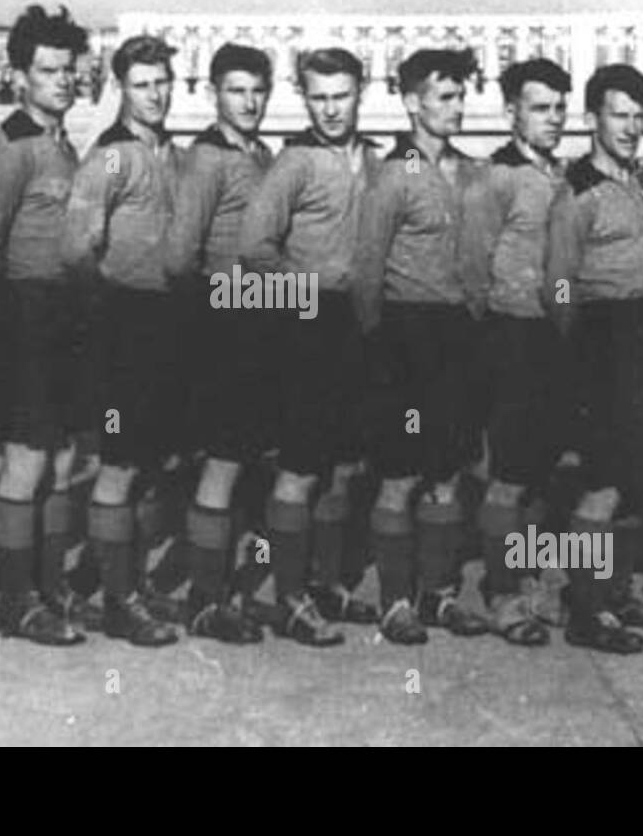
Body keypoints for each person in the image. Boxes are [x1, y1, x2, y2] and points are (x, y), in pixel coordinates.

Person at [239, 47, 381, 646]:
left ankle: (324, 582)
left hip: (361, 326)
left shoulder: (376, 159)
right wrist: (304, 300)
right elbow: (253, 248)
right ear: (305, 97)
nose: (330, 109)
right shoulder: (294, 161)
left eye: (341, 95)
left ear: (360, 91)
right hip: (309, 327)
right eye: (319, 96)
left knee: (343, 468)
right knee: (298, 468)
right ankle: (289, 596)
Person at [0, 5, 96, 646]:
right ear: (19, 75)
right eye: (48, 70)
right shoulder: (13, 147)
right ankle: (18, 601)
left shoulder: (62, 143)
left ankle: (51, 584)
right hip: (26, 316)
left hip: (65, 317)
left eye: (69, 69)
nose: (62, 80)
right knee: (27, 460)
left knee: (65, 458)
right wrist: (15, 317)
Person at [352, 48, 490, 644]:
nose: (456, 109)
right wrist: (380, 354)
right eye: (444, 98)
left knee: (448, 473)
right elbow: (365, 274)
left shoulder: (471, 172)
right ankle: (395, 601)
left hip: (457, 338)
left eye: (461, 97)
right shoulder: (392, 176)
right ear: (411, 102)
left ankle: (438, 595)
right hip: (403, 342)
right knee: (401, 474)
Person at [545, 63, 643, 654]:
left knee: (635, 479)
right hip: (601, 340)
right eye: (620, 114)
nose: (631, 126)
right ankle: (587, 609)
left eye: (639, 115)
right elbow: (559, 284)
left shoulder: (639, 182)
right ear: (593, 119)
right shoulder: (578, 193)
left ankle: (617, 593)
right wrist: (580, 353)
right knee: (601, 481)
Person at [65, 34, 185, 647]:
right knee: (116, 466)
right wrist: (108, 304)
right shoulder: (111, 156)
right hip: (120, 326)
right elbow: (76, 249)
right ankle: (116, 599)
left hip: (164, 328)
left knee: (148, 465)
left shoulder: (169, 152)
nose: (155, 93)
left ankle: (134, 583)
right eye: (142, 84)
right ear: (122, 89)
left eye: (162, 81)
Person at [164, 43, 277, 643]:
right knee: (225, 460)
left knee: (250, 459)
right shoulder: (207, 158)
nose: (250, 101)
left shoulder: (261, 154)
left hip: (263, 325)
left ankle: (232, 591)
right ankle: (206, 601)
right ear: (214, 94)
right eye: (237, 90)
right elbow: (181, 255)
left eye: (258, 90)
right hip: (225, 326)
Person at [461, 58, 573, 645]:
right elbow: (471, 269)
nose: (552, 119)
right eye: (539, 107)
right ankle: (502, 591)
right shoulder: (494, 178)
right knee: (507, 474)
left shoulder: (563, 174)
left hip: (558, 338)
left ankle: (534, 579)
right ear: (511, 113)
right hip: (511, 336)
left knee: (543, 471)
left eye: (559, 108)